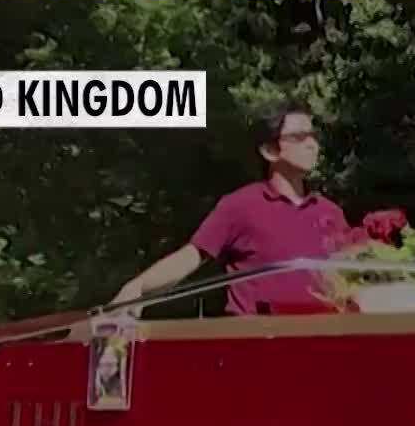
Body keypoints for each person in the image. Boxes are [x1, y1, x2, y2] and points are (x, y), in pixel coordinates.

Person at [110, 103, 350, 316]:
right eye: (299, 137)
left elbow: (353, 278)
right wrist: (138, 287)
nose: (312, 145)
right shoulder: (241, 205)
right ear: (269, 151)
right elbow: (191, 257)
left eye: (313, 136)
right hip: (254, 346)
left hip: (320, 342)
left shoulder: (330, 212)